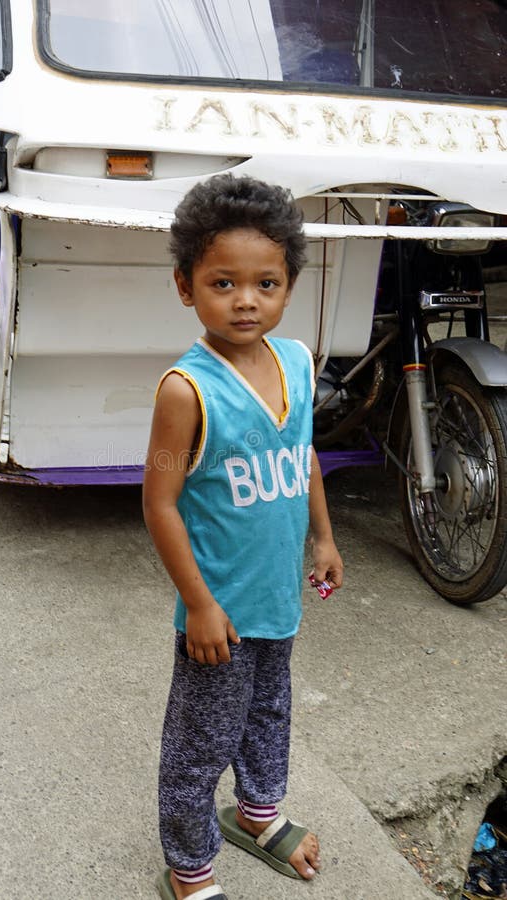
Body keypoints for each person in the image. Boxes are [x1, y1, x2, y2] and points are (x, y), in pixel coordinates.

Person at [143, 173, 343, 900]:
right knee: (198, 747)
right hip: (218, 616)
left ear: (289, 285)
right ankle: (190, 868)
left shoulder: (294, 361)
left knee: (269, 713)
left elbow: (303, 454)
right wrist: (198, 603)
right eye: (223, 282)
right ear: (185, 285)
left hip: (276, 601)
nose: (247, 299)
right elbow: (160, 502)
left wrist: (322, 537)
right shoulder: (185, 390)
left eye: (267, 282)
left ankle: (258, 815)